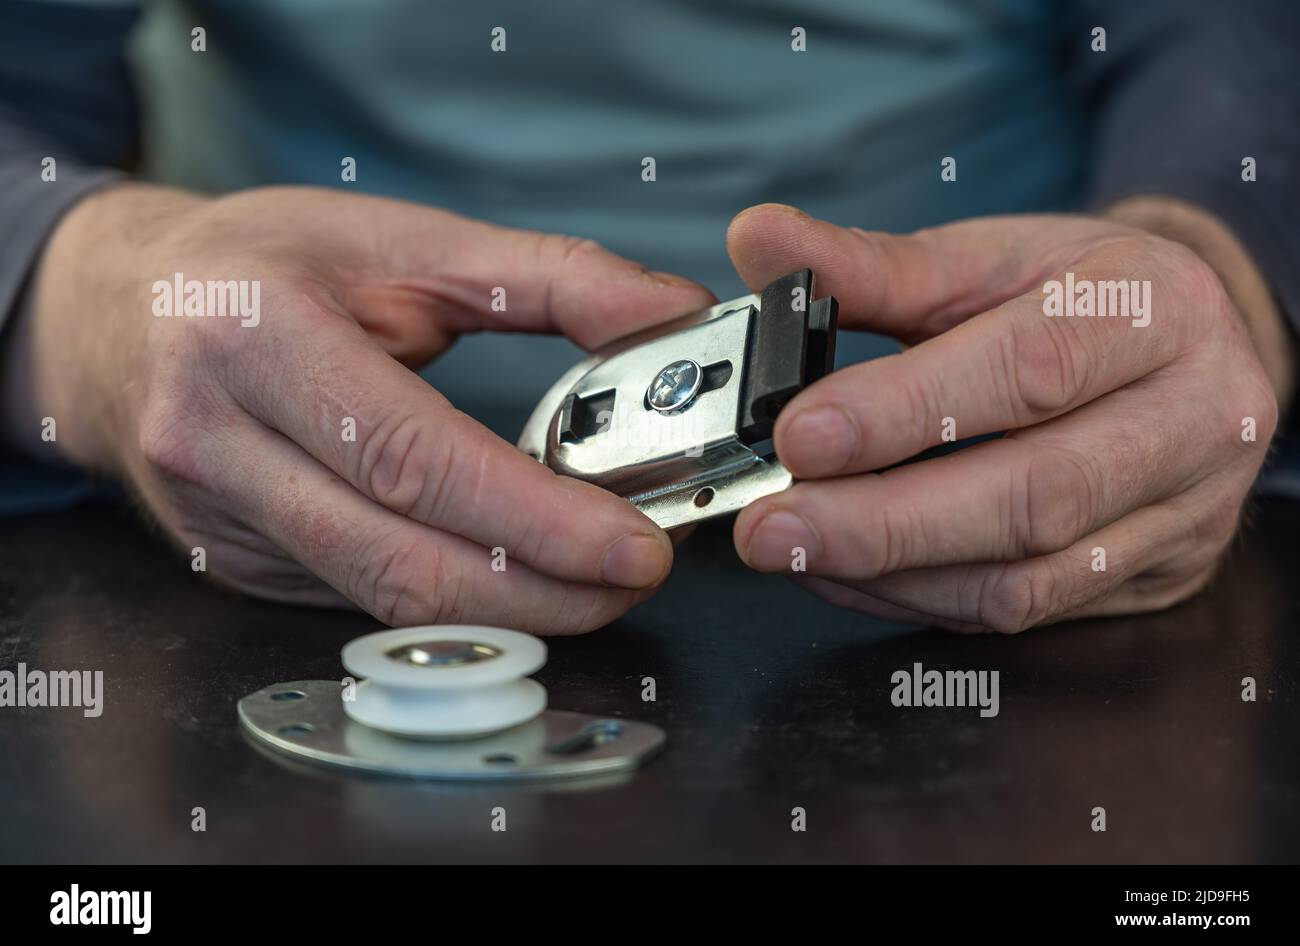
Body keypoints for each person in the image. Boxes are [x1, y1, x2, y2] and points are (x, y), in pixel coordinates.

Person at [2, 0, 1297, 634]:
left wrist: (1206, 276)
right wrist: (103, 304)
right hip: (252, 509)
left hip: (1055, 513)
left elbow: (1234, 40)